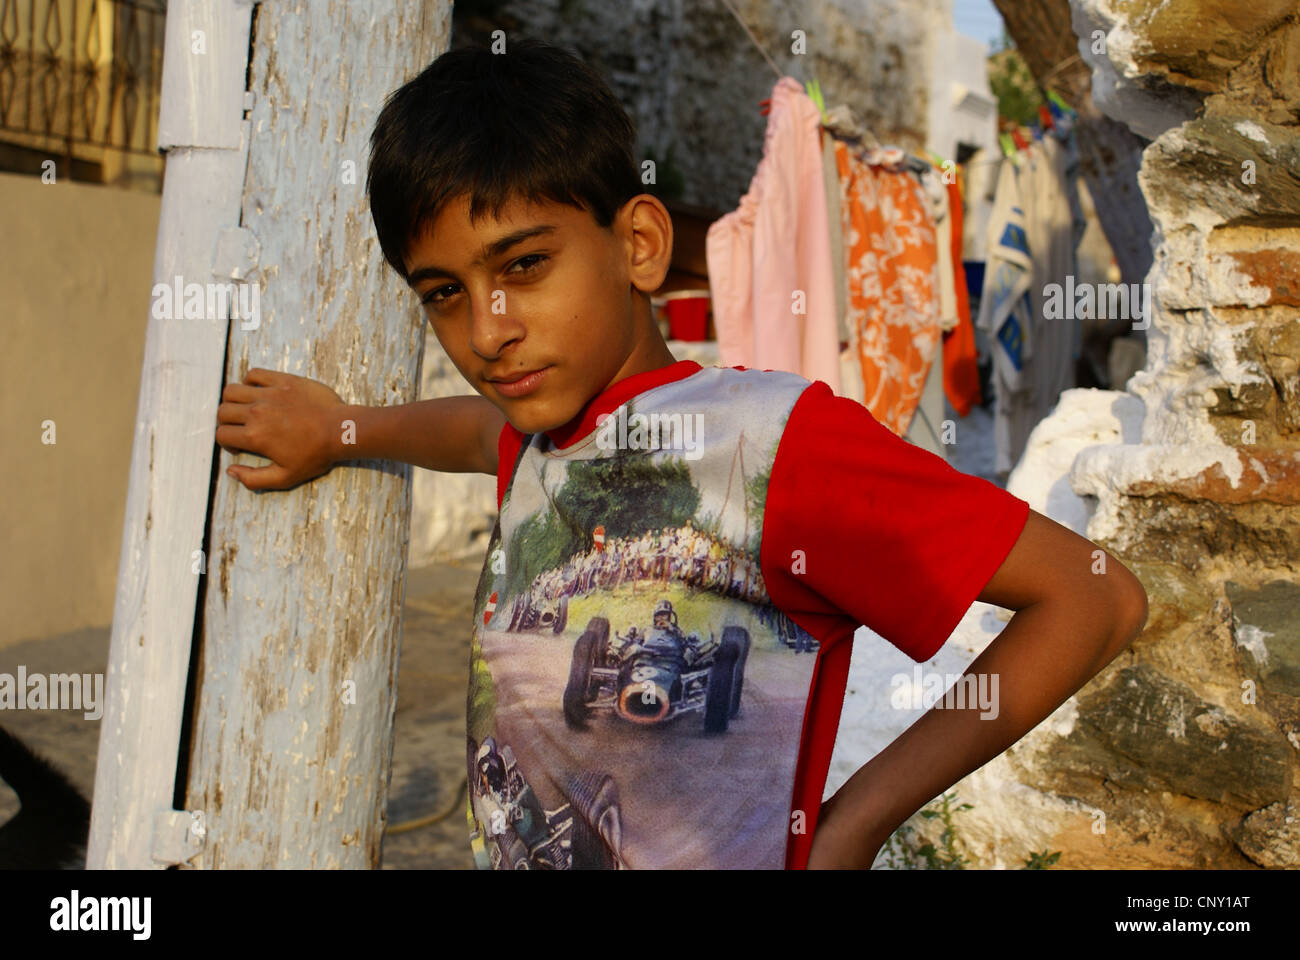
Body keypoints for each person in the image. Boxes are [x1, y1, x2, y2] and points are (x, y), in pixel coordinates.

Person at [214, 39, 1148, 869]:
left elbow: (1093, 596)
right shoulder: (542, 440)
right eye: (444, 293)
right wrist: (341, 429)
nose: (487, 331)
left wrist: (855, 823)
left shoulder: (778, 443)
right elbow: (470, 431)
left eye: (523, 267)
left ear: (640, 245)